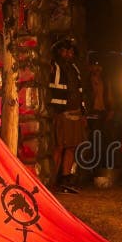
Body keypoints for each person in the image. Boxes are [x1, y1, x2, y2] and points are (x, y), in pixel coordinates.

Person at [49, 38, 86, 193]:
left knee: (71, 147)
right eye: (66, 50)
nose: (69, 53)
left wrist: (82, 111)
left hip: (74, 112)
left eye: (71, 51)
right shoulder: (54, 66)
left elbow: (79, 90)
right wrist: (57, 110)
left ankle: (65, 179)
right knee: (59, 146)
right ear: (59, 52)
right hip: (61, 112)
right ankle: (52, 180)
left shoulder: (74, 68)